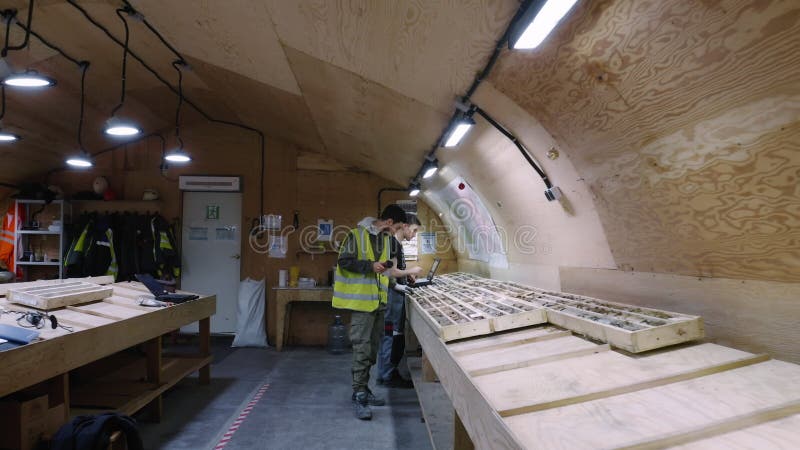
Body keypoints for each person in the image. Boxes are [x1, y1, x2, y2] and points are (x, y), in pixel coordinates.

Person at [333, 204, 421, 420]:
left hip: (378, 304)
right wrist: (370, 266)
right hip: (361, 305)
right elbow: (344, 262)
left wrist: (396, 285)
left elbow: (384, 272)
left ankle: (365, 388)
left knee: (372, 350)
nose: (396, 232)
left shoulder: (384, 240)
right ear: (389, 223)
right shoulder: (356, 235)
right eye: (397, 227)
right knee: (362, 350)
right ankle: (359, 394)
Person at [377, 214, 421, 388]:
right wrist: (412, 270)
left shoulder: (396, 244)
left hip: (395, 294)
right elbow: (391, 272)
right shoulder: (393, 244)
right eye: (415, 230)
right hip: (391, 298)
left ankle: (387, 371)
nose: (415, 235)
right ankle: (387, 374)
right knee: (391, 336)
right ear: (405, 226)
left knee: (393, 335)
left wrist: (407, 276)